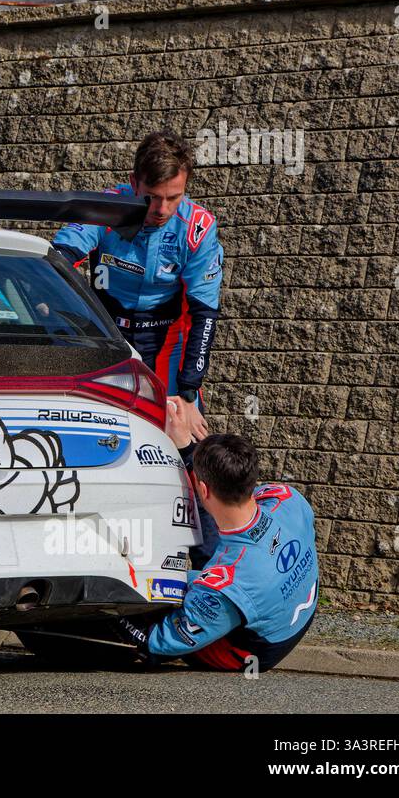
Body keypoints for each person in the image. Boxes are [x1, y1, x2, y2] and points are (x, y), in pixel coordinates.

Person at [51, 130, 224, 554]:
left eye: (173, 197)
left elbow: (204, 315)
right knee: (93, 428)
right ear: (134, 183)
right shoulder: (107, 206)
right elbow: (60, 255)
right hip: (108, 332)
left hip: (166, 337)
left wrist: (187, 390)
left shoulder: (197, 228)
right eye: (151, 197)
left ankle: (206, 553)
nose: (161, 209)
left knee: (184, 433)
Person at [116, 433, 319, 672]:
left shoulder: (225, 586)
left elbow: (161, 639)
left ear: (203, 489)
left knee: (148, 624)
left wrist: (109, 606)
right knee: (187, 582)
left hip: (259, 649)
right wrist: (188, 448)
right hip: (297, 610)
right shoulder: (288, 499)